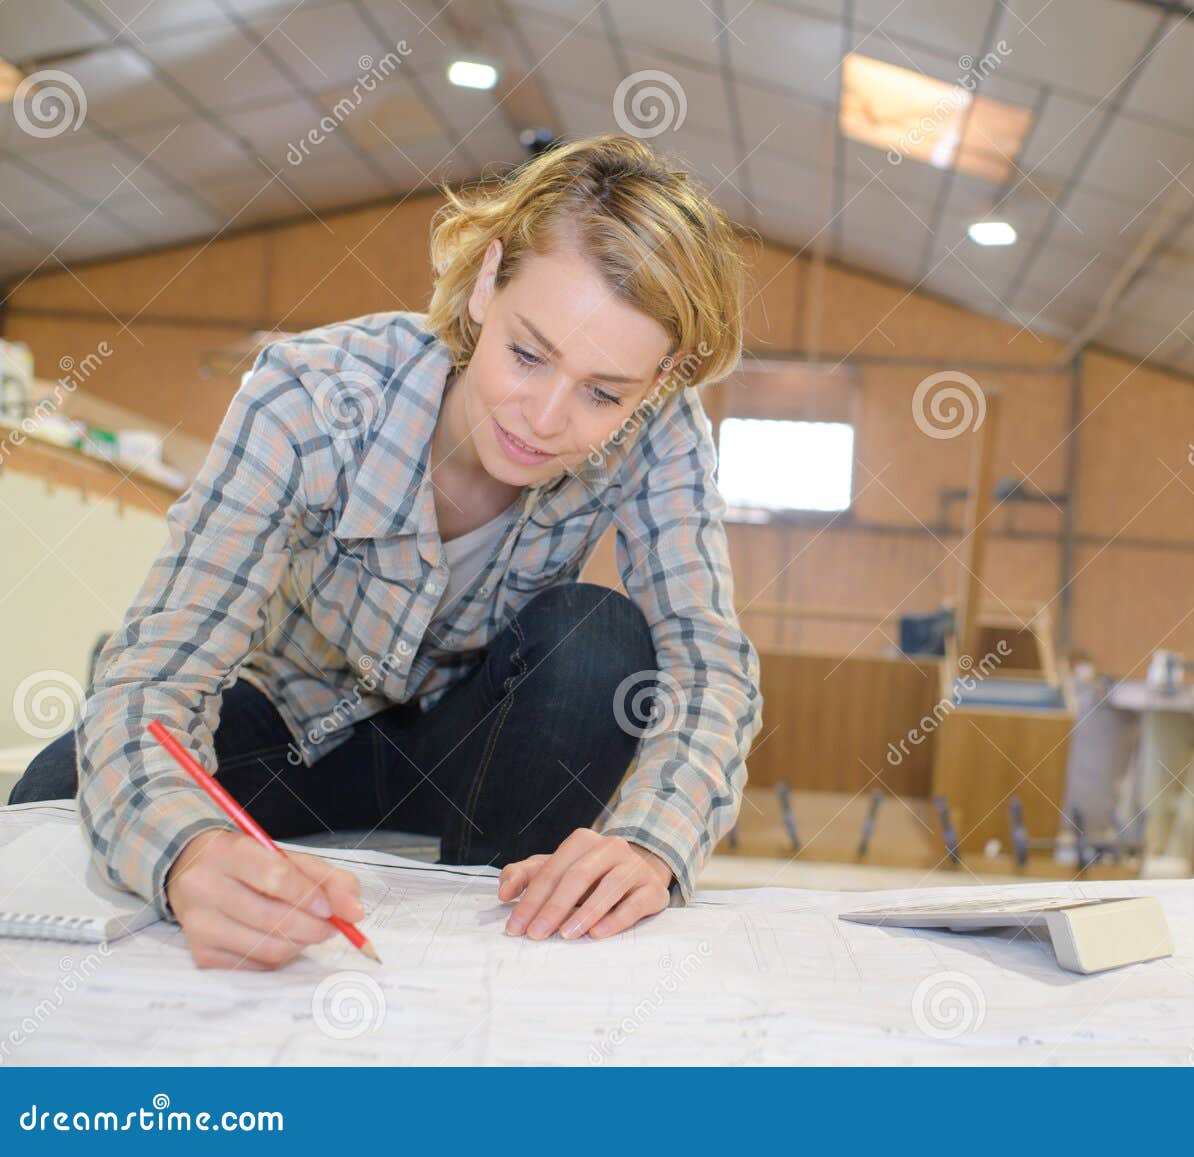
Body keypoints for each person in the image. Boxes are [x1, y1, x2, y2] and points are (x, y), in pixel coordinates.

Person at [11, 134, 762, 970]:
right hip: (296, 722)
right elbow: (153, 678)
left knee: (596, 639)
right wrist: (187, 852)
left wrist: (652, 841)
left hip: (477, 747)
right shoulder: (306, 395)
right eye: (526, 353)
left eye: (602, 393)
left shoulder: (663, 433)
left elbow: (708, 663)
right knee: (59, 788)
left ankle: (506, 942)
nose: (544, 419)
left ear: (656, 384)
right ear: (487, 278)